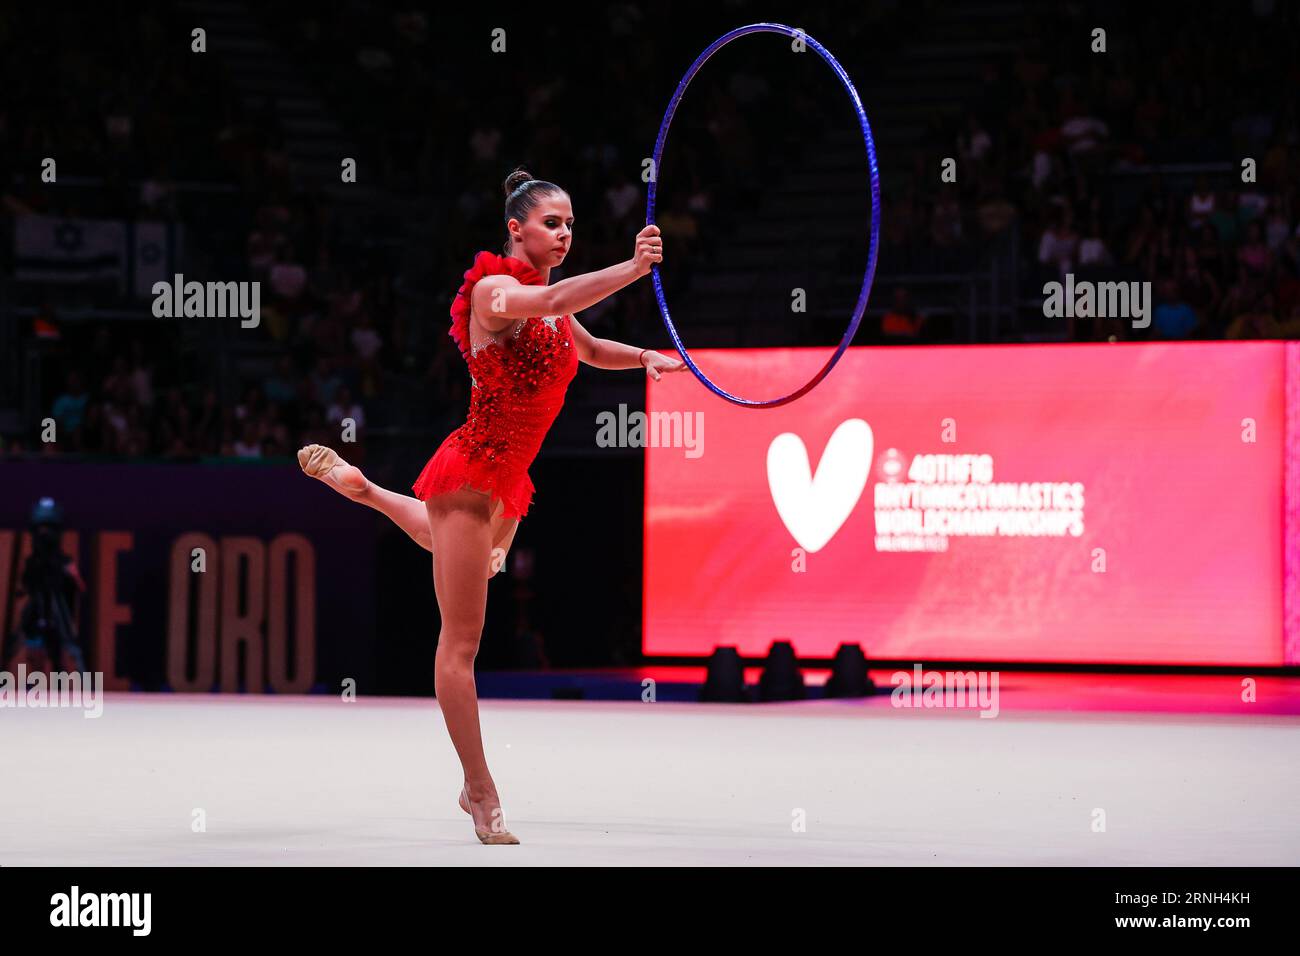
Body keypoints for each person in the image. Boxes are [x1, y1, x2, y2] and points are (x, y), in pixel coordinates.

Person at [297, 166, 684, 844]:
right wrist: (632, 266)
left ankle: (366, 490)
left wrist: (646, 355)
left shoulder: (553, 305)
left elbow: (586, 347)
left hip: (509, 481)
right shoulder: (494, 292)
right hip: (472, 476)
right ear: (516, 229)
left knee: (456, 558)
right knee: (461, 643)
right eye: (552, 223)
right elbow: (555, 300)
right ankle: (478, 788)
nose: (564, 233)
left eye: (571, 224)